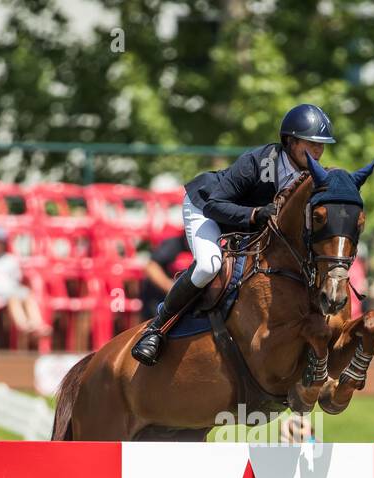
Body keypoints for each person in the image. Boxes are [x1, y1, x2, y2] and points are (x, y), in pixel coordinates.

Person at [131, 103, 337, 365]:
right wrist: (254, 213)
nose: (318, 151)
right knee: (208, 265)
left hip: (242, 223)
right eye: (311, 144)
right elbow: (214, 204)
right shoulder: (258, 162)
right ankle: (156, 329)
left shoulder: (314, 177)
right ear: (290, 141)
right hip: (204, 207)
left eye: (321, 145)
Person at [0, 225, 46, 341]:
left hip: (12, 290)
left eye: (0, 242)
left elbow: (16, 279)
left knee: (28, 297)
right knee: (13, 300)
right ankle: (24, 326)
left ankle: (37, 325)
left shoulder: (10, 259)